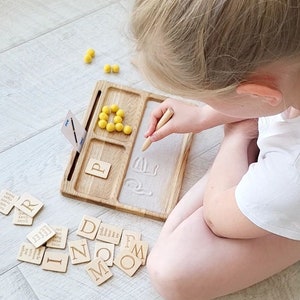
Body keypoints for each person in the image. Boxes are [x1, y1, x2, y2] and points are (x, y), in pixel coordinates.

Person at [130, 1, 300, 299]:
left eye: (212, 97)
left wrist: (236, 136)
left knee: (169, 273)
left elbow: (218, 217)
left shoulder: (288, 176)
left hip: (285, 193)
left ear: (259, 94)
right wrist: (203, 115)